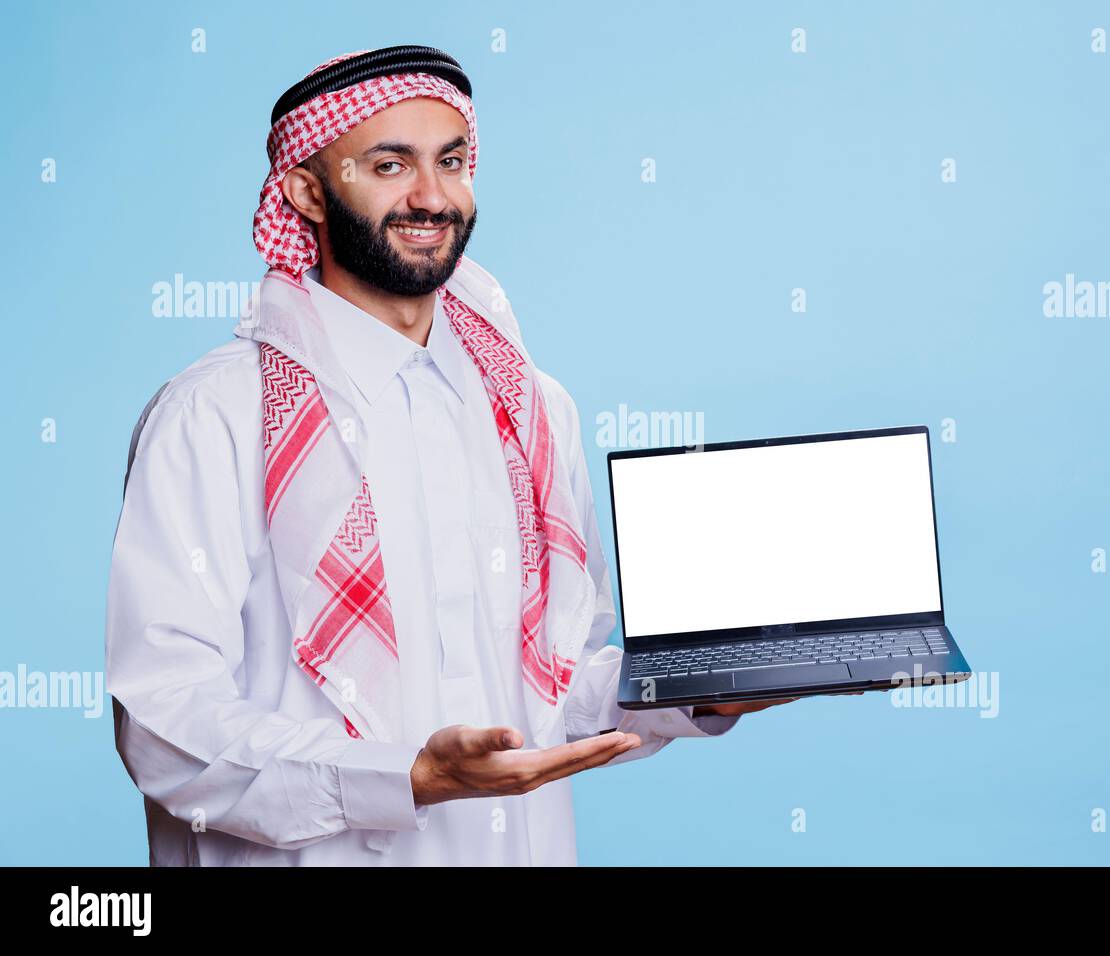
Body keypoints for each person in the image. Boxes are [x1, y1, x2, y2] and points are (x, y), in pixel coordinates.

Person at [104, 45, 795, 866]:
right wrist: (408, 777)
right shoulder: (217, 415)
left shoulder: (533, 406)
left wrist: (698, 691)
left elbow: (547, 686)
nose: (430, 197)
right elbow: (164, 725)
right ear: (306, 190)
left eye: (452, 161)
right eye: (389, 164)